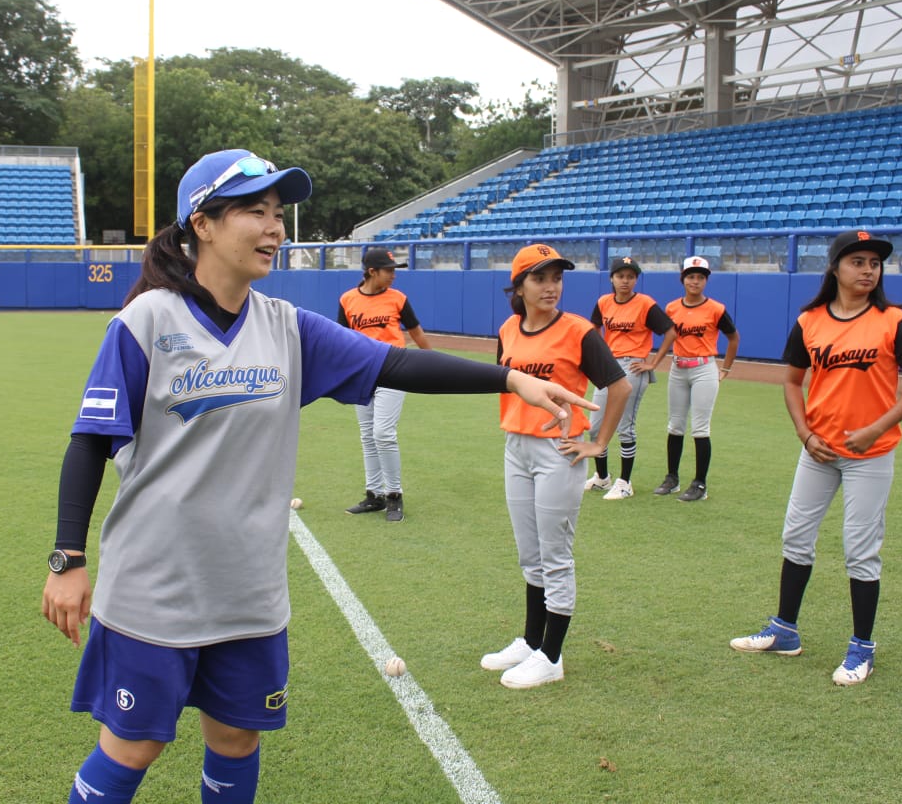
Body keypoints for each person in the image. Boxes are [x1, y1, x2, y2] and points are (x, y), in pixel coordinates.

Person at [40, 150, 595, 804]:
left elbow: (396, 366)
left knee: (238, 740)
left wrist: (509, 377)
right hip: (154, 584)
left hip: (249, 589)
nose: (275, 227)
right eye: (255, 210)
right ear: (205, 224)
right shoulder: (145, 324)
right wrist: (67, 558)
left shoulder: (286, 329)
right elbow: (89, 442)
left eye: (279, 212)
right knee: (134, 747)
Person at [730, 230, 902, 686]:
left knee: (860, 551)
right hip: (818, 451)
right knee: (795, 538)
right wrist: (804, 433)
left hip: (870, 454)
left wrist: (876, 428)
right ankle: (784, 631)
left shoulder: (893, 321)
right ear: (835, 267)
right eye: (857, 261)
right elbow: (791, 382)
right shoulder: (810, 321)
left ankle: (862, 647)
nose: (867, 270)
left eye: (873, 263)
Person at [480, 243, 630, 689]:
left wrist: (598, 443)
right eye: (540, 278)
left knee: (555, 557)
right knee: (530, 555)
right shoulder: (509, 327)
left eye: (556, 278)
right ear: (519, 286)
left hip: (558, 452)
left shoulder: (578, 331)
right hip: (516, 447)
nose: (551, 287)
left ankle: (552, 655)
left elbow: (618, 387)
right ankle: (530, 642)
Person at [338, 247, 432, 522]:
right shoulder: (347, 300)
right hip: (361, 374)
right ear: (371, 272)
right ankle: (374, 495)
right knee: (368, 437)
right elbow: (342, 339)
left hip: (393, 370)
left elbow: (416, 333)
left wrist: (433, 365)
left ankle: (394, 495)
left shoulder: (398, 298)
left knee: (383, 434)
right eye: (388, 270)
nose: (393, 275)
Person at [582, 256, 674, 500]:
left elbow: (670, 331)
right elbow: (593, 328)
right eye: (621, 276)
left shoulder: (644, 303)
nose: (625, 281)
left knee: (625, 427)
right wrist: (598, 354)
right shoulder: (603, 302)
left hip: (632, 366)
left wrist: (653, 362)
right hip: (609, 365)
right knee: (595, 425)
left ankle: (625, 482)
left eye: (631, 276)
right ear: (611, 278)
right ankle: (602, 478)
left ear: (636, 279)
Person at [656, 255, 740, 502]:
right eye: (691, 276)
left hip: (704, 368)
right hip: (678, 368)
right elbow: (668, 337)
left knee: (700, 427)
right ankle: (672, 478)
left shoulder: (716, 308)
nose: (695, 281)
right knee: (675, 425)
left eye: (700, 277)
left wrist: (726, 368)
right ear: (683, 279)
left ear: (706, 280)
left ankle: (700, 484)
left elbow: (733, 338)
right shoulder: (672, 307)